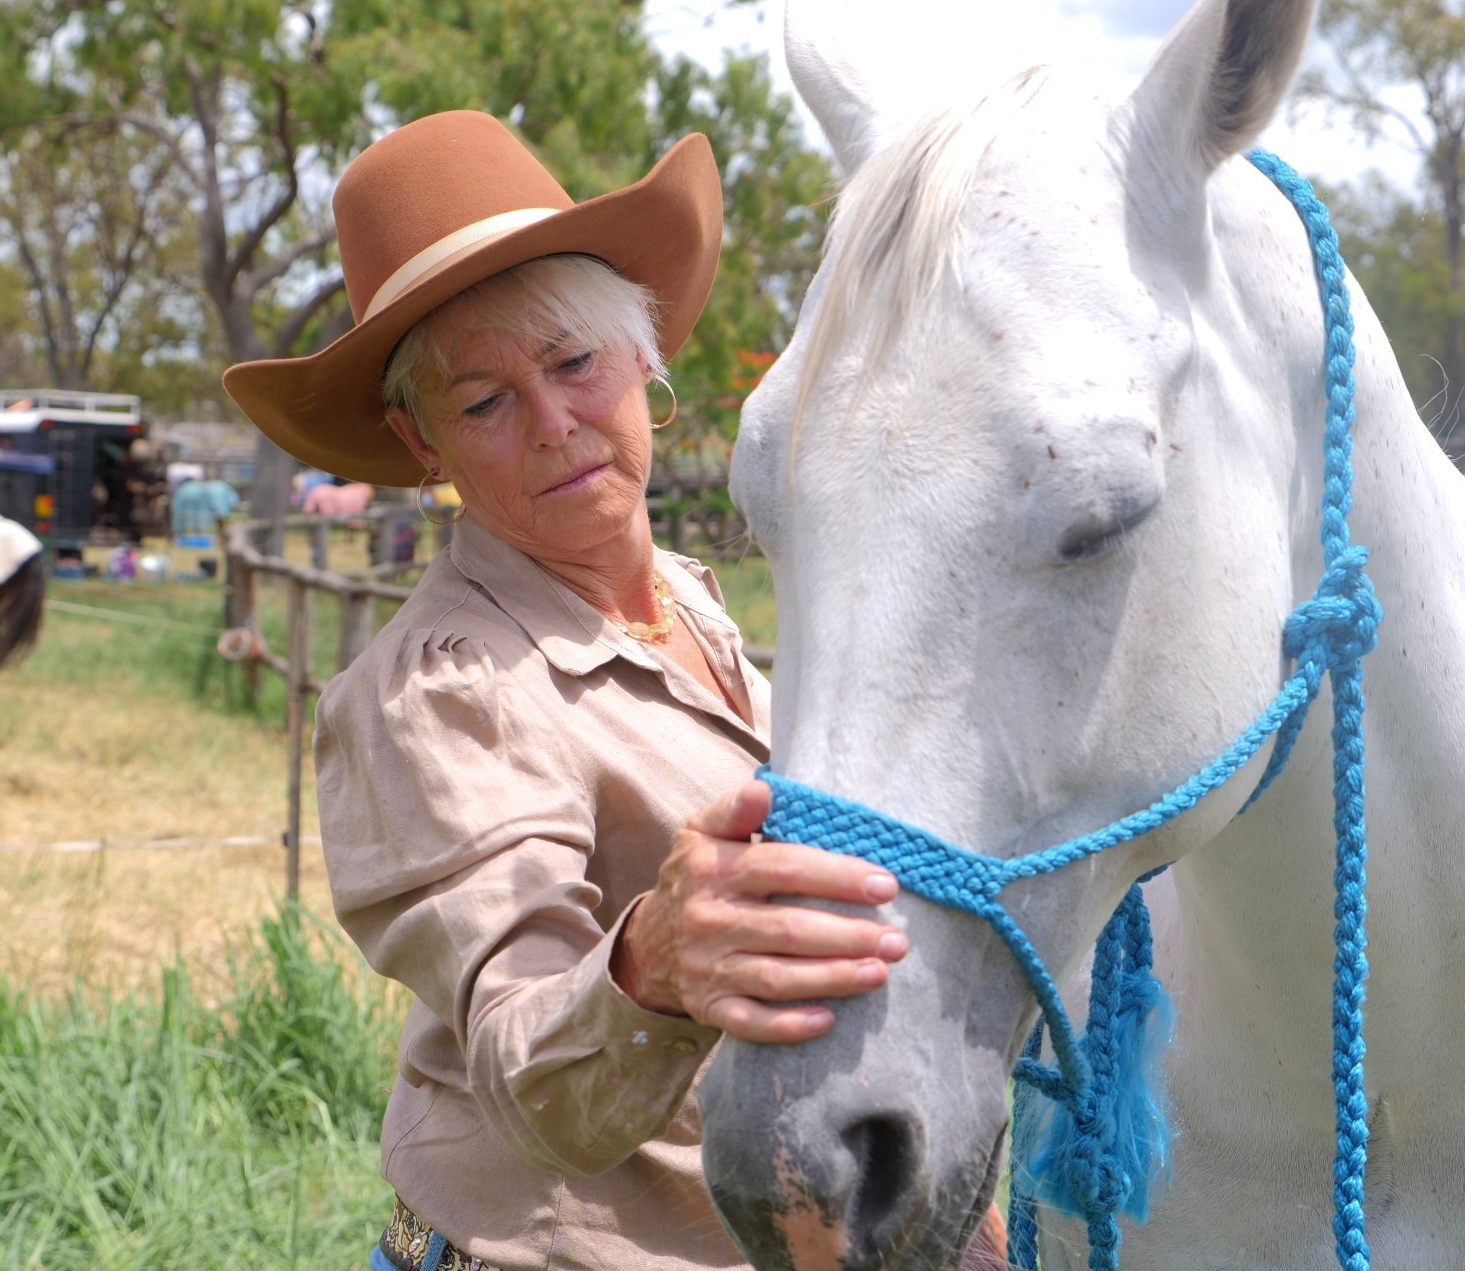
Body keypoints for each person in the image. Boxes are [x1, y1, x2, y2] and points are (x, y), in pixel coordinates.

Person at [224, 112, 1001, 1271]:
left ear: (643, 354)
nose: (552, 425)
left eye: (574, 361)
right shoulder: (437, 695)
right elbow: (535, 1083)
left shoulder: (688, 597)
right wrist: (653, 961)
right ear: (419, 441)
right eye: (482, 402)